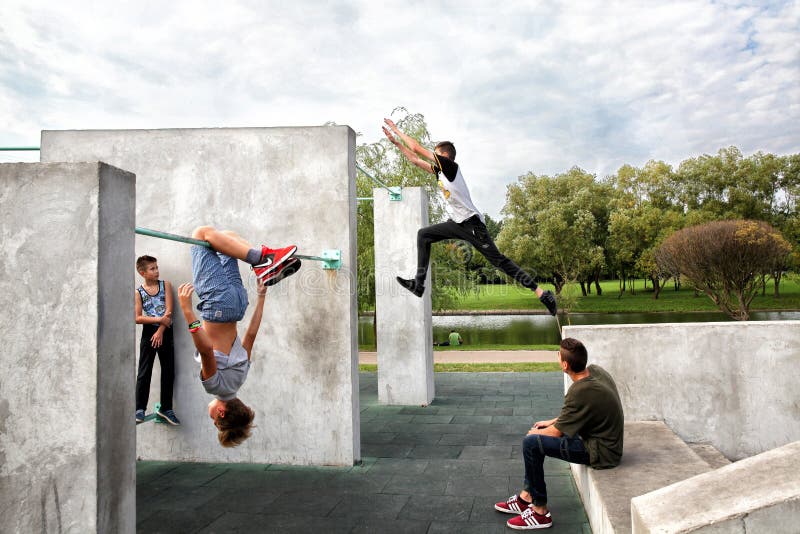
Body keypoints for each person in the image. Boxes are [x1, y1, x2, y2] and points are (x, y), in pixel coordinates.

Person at [381, 118, 557, 316]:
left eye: (436, 153)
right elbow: (414, 159)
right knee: (424, 235)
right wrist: (396, 144)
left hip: (472, 224)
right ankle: (418, 284)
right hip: (457, 223)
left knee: (498, 261)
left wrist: (396, 129)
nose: (434, 156)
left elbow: (416, 147)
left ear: (444, 155)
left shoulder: (450, 166)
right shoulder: (440, 172)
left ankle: (542, 294)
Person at [176, 226, 300, 447]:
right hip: (218, 304)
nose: (211, 417)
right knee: (201, 234)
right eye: (214, 421)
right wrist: (187, 311)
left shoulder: (240, 379)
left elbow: (251, 335)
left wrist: (261, 297)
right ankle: (263, 259)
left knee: (226, 238)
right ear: (222, 413)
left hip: (238, 305)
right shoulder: (214, 387)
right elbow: (205, 350)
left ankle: (262, 265)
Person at [494, 338, 623, 530]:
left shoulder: (579, 391)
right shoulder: (595, 372)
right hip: (603, 440)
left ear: (565, 365)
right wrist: (552, 421)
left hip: (601, 452)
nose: (557, 358)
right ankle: (526, 498)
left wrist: (536, 433)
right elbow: (580, 410)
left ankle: (540, 512)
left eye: (558, 356)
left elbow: (554, 434)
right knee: (537, 437)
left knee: (531, 443)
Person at [135, 255, 180, 425]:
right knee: (144, 371)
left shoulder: (165, 285)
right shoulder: (138, 292)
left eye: (156, 267)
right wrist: (157, 321)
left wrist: (161, 329)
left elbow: (169, 311)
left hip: (165, 331)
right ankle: (139, 409)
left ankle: (166, 409)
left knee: (168, 369)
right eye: (152, 269)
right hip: (149, 333)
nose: (156, 271)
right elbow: (138, 318)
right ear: (142, 272)